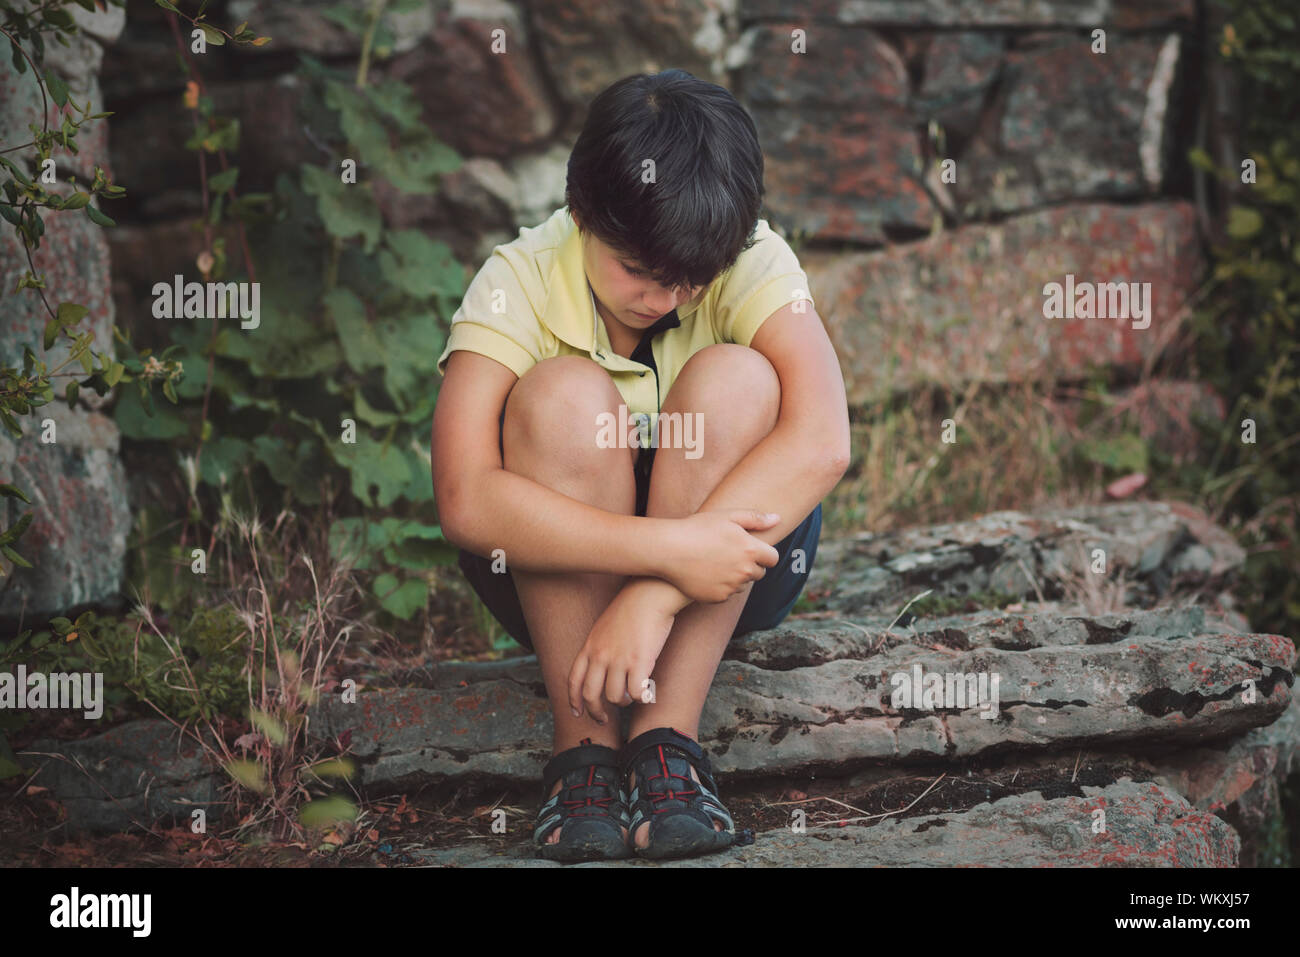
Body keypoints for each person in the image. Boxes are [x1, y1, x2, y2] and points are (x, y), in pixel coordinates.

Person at [430, 69, 850, 861]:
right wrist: (660, 552)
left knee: (740, 379)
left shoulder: (745, 255)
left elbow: (824, 438)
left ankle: (666, 742)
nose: (666, 299)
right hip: (557, 579)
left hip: (735, 573)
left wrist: (656, 594)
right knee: (559, 396)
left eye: (689, 281)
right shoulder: (516, 279)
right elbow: (463, 496)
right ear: (582, 210)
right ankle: (582, 751)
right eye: (640, 273)